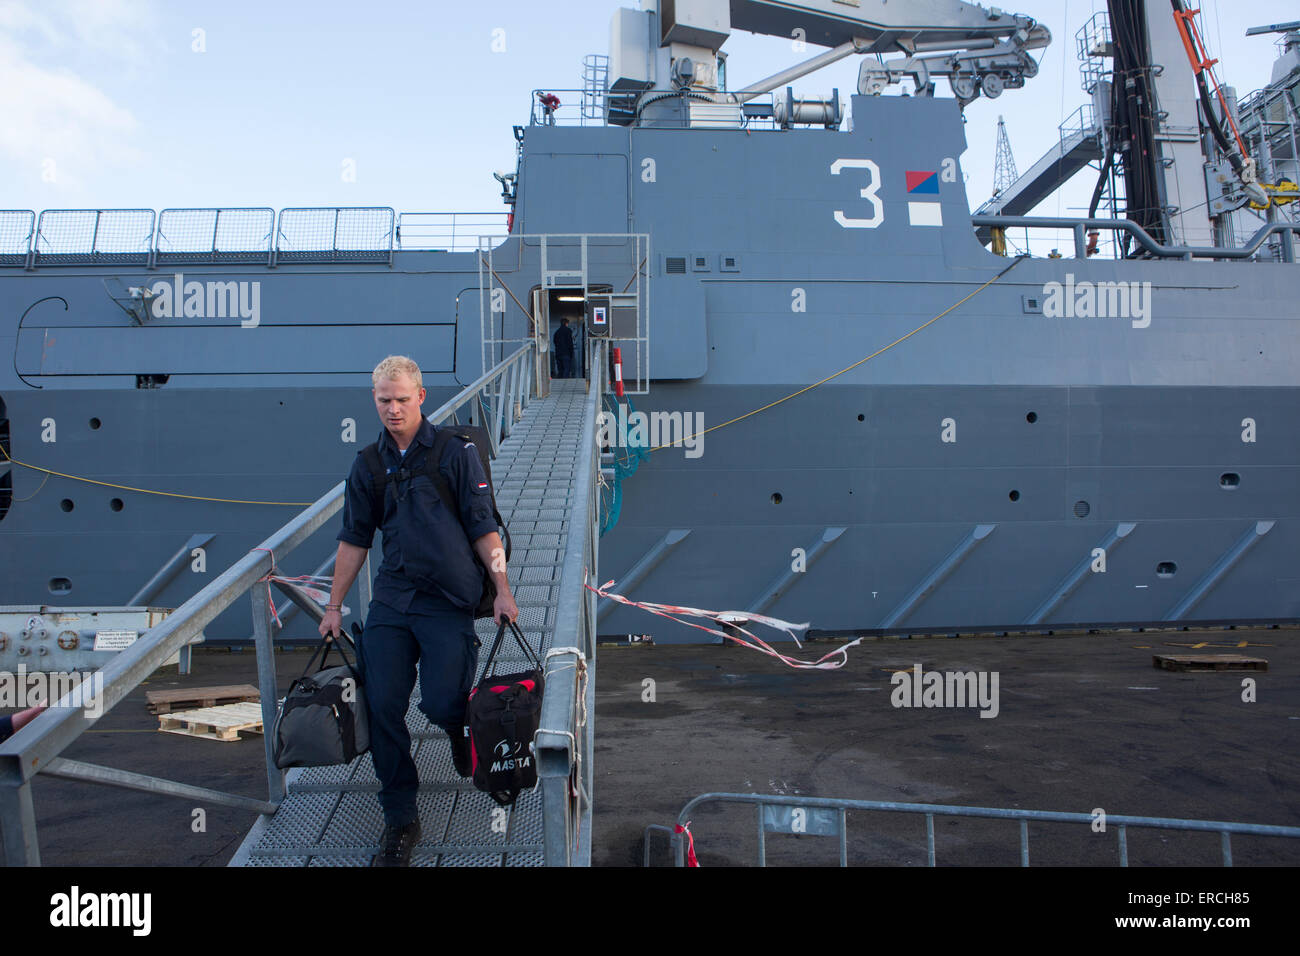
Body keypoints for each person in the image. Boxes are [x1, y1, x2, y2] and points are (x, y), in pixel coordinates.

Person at [321, 355, 518, 867]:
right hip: (392, 601)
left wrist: (501, 588)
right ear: (374, 400)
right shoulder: (367, 465)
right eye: (383, 400)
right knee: (383, 705)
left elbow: (482, 525)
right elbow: (354, 539)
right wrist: (334, 605)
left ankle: (458, 727)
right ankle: (400, 818)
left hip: (445, 601)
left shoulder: (456, 454)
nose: (392, 408)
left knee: (441, 702)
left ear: (421, 397)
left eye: (402, 399)